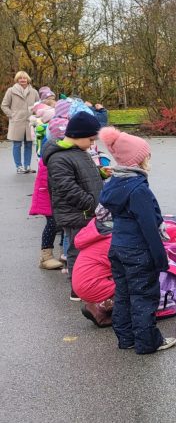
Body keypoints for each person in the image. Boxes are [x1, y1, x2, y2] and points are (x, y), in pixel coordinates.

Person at [98, 126, 176, 353]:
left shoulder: (114, 183)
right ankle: (147, 342)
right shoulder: (138, 190)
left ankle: (126, 338)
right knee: (144, 296)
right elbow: (149, 227)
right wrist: (160, 258)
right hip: (138, 250)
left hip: (118, 247)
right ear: (137, 161)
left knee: (123, 294)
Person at [42, 111, 105, 301]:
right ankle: (76, 287)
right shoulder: (59, 158)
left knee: (87, 249)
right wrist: (90, 204)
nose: (93, 144)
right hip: (76, 213)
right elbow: (68, 188)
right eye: (91, 139)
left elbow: (84, 176)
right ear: (78, 135)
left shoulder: (79, 151)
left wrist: (101, 174)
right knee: (76, 250)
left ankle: (86, 280)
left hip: (87, 211)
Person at [30, 116, 68, 271]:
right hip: (48, 195)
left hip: (55, 195)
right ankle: (45, 256)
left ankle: (63, 252)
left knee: (64, 223)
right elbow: (49, 178)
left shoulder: (58, 150)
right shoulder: (51, 154)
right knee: (53, 224)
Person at [74, 205, 115, 328]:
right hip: (92, 285)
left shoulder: (98, 231)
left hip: (82, 284)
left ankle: (98, 304)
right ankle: (100, 308)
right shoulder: (112, 240)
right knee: (135, 283)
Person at [3, 71, 40, 173]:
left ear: (28, 79)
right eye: (20, 78)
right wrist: (12, 115)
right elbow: (4, 105)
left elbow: (39, 106)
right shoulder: (11, 91)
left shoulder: (34, 92)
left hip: (30, 122)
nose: (22, 80)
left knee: (29, 144)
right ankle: (19, 167)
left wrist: (35, 116)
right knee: (17, 145)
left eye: (24, 78)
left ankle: (27, 166)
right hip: (17, 121)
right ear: (17, 79)